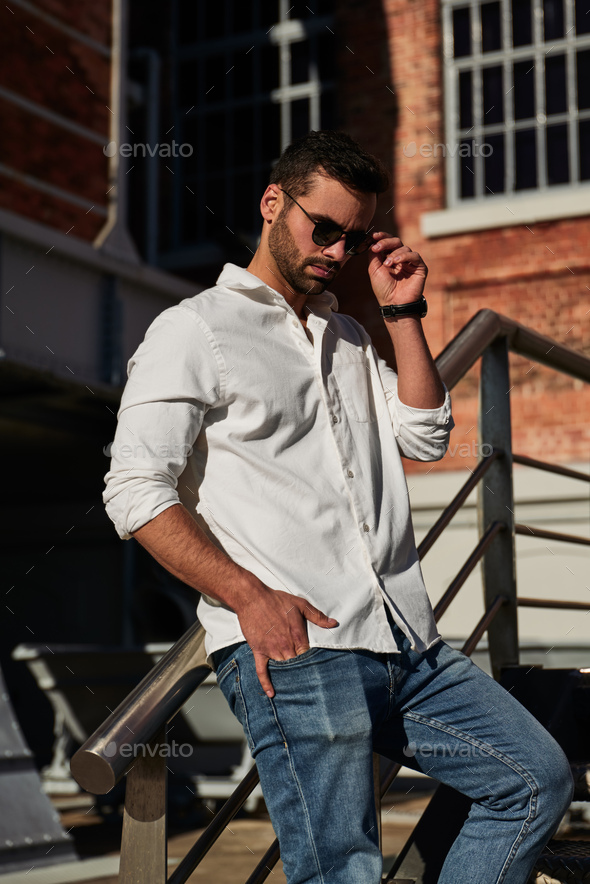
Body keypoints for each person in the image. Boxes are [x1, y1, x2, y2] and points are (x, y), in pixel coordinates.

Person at [104, 130, 573, 884]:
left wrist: (404, 312)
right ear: (271, 204)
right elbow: (135, 488)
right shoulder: (193, 328)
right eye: (322, 228)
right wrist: (248, 598)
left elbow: (424, 436)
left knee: (533, 780)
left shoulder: (348, 334)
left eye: (352, 239)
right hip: (301, 654)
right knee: (343, 871)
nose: (335, 250)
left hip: (406, 641)